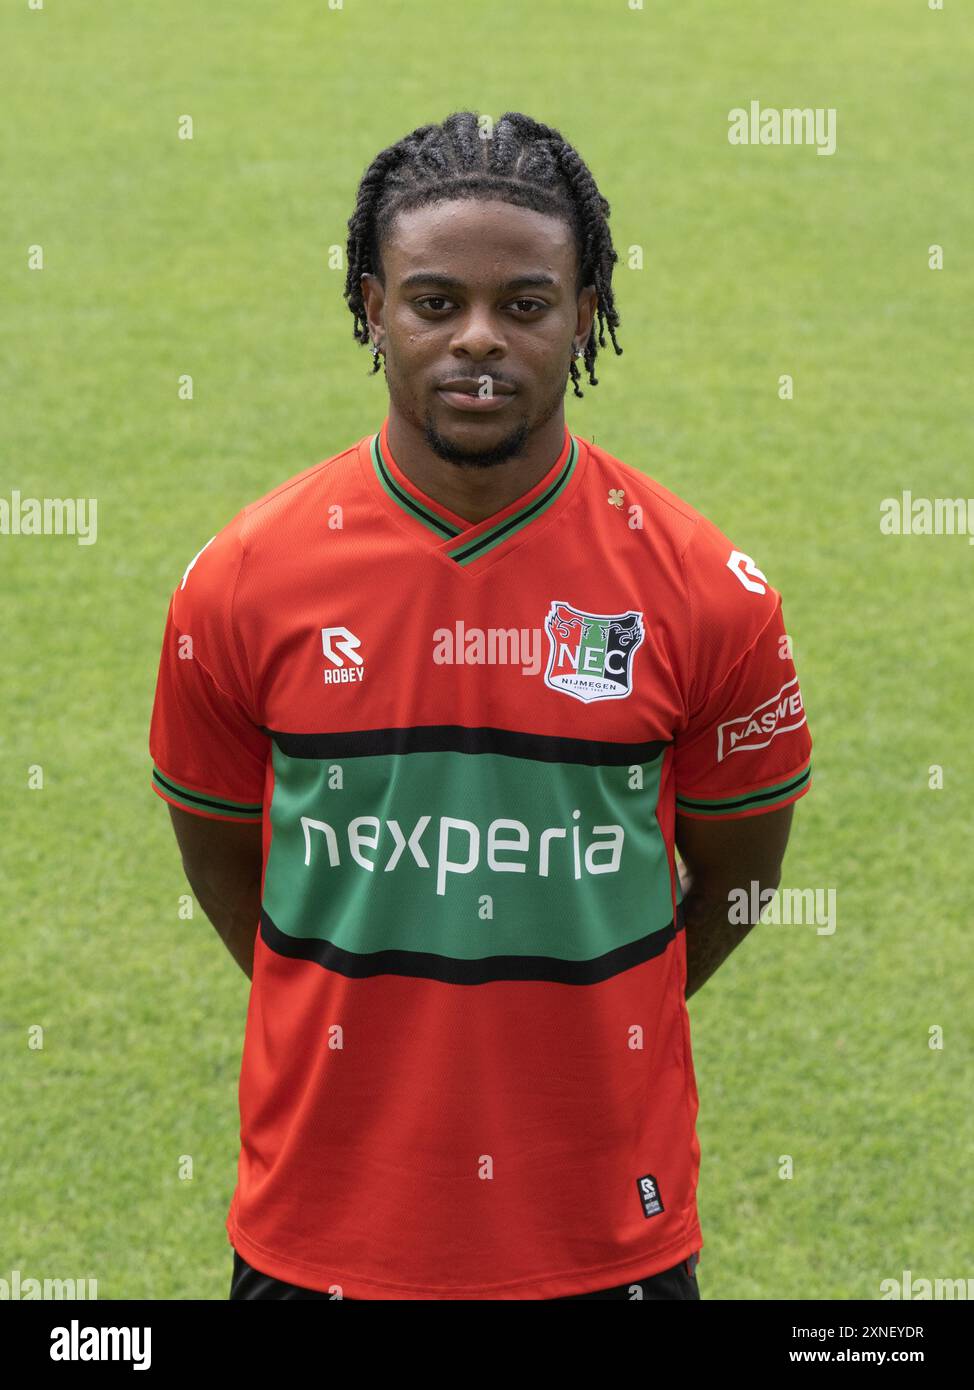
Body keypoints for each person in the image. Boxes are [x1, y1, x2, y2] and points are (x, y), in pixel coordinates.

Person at [148, 110, 813, 1301]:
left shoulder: (704, 590)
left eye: (524, 304)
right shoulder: (243, 580)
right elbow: (223, 856)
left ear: (587, 312)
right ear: (370, 308)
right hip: (324, 1227)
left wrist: (581, 1008)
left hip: (604, 1232)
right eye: (433, 300)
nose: (477, 342)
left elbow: (739, 878)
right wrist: (362, 1004)